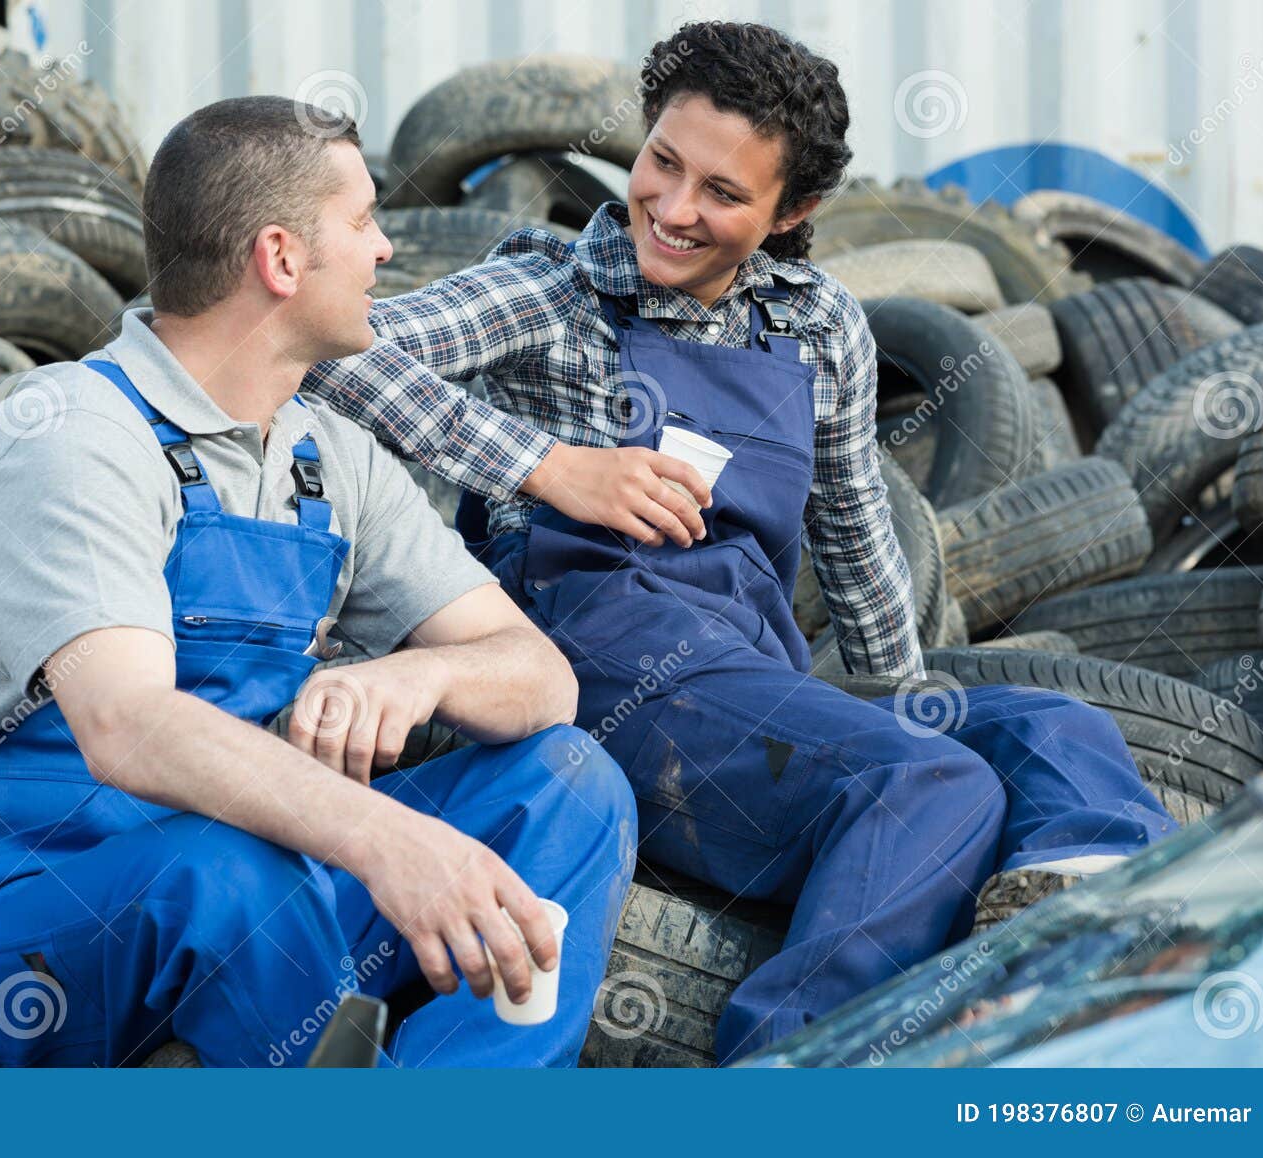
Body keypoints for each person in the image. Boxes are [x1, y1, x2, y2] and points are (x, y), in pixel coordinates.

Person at [303, 21, 1177, 1063]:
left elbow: (855, 537)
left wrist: (911, 702)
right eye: (661, 163)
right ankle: (788, 1072)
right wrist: (548, 466)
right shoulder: (549, 294)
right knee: (929, 789)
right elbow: (316, 349)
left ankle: (1087, 978)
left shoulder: (816, 327)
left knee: (1050, 731)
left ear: (791, 211)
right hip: (601, 665)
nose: (671, 210)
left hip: (745, 674)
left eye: (721, 193)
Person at [0, 96, 638, 1069]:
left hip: (264, 886)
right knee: (223, 874)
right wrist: (384, 840)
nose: (386, 251)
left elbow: (545, 681)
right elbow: (128, 726)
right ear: (279, 258)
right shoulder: (68, 439)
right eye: (361, 222)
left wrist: (419, 679)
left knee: (569, 783)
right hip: (11, 918)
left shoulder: (329, 457)